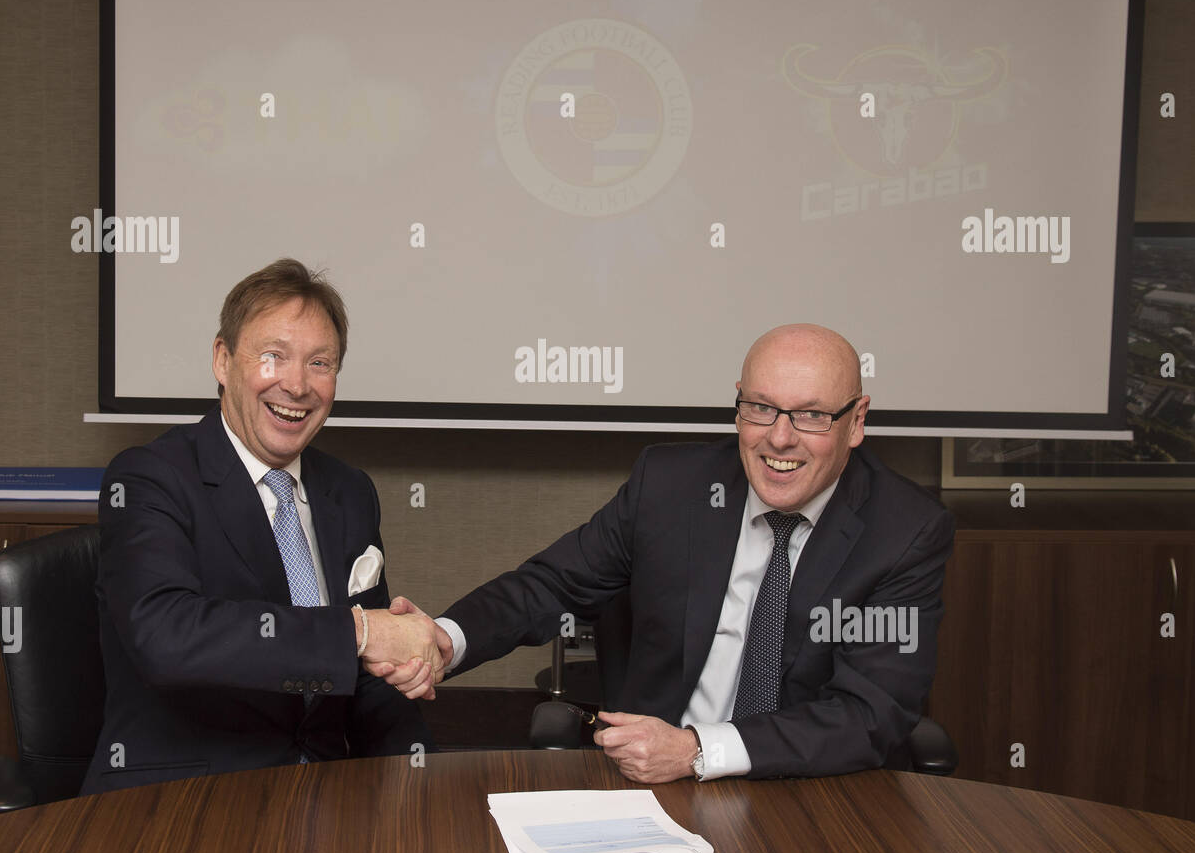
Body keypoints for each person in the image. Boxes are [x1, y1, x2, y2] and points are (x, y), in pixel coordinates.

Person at [368, 324, 955, 784]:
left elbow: (869, 715)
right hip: (653, 792)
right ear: (738, 405)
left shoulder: (905, 532)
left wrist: (698, 750)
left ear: (857, 422)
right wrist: (447, 638)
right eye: (760, 407)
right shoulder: (670, 486)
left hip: (815, 792)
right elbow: (552, 586)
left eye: (811, 415)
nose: (780, 437)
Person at [81, 259, 441, 795]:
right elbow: (166, 636)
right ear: (222, 360)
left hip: (325, 799)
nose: (296, 385)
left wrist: (420, 780)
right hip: (181, 799)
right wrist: (360, 633)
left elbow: (369, 683)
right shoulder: (148, 478)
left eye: (320, 363)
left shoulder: (349, 492)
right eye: (273, 356)